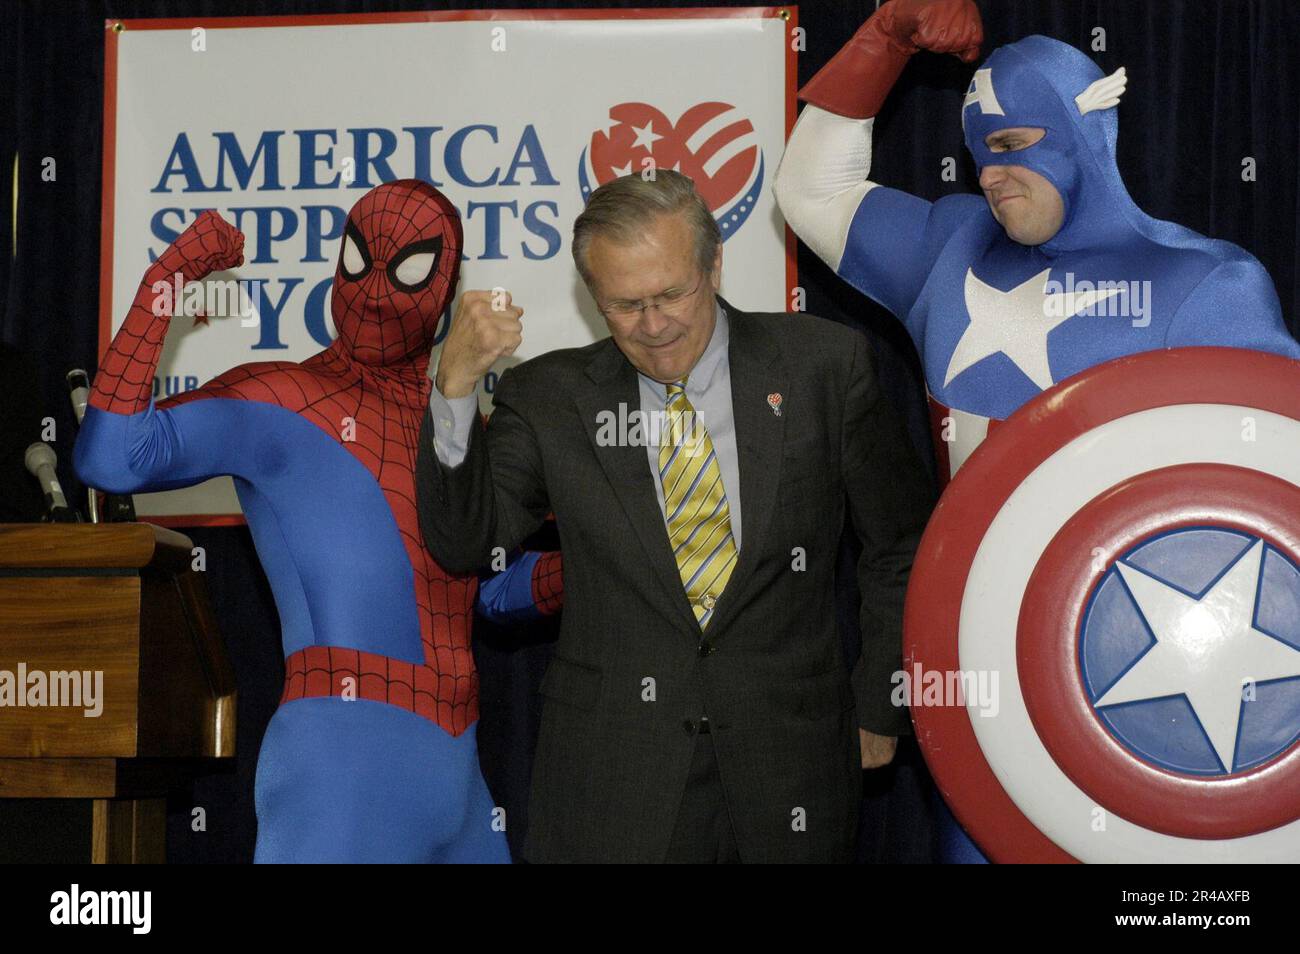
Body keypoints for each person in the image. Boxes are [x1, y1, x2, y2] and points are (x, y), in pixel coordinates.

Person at [772, 0, 1300, 862]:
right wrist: (883, 39)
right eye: (979, 153)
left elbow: (1281, 504)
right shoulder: (949, 251)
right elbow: (809, 188)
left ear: (1086, 136)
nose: (989, 174)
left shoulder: (1208, 285)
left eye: (1015, 146)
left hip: (1190, 663)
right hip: (988, 666)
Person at [417, 169, 933, 863]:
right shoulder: (549, 397)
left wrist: (880, 703)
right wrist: (452, 389)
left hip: (793, 771)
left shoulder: (823, 367)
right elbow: (465, 540)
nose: (655, 327)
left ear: (714, 264)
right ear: (590, 296)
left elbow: (901, 545)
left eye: (671, 294)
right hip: (614, 784)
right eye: (625, 305)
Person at [75, 181, 558, 862]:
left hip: (461, 774)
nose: (376, 290)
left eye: (409, 268)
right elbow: (111, 456)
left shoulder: (454, 426)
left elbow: (484, 590)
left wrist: (608, 565)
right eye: (360, 261)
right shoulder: (285, 399)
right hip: (342, 762)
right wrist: (168, 279)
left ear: (445, 289)